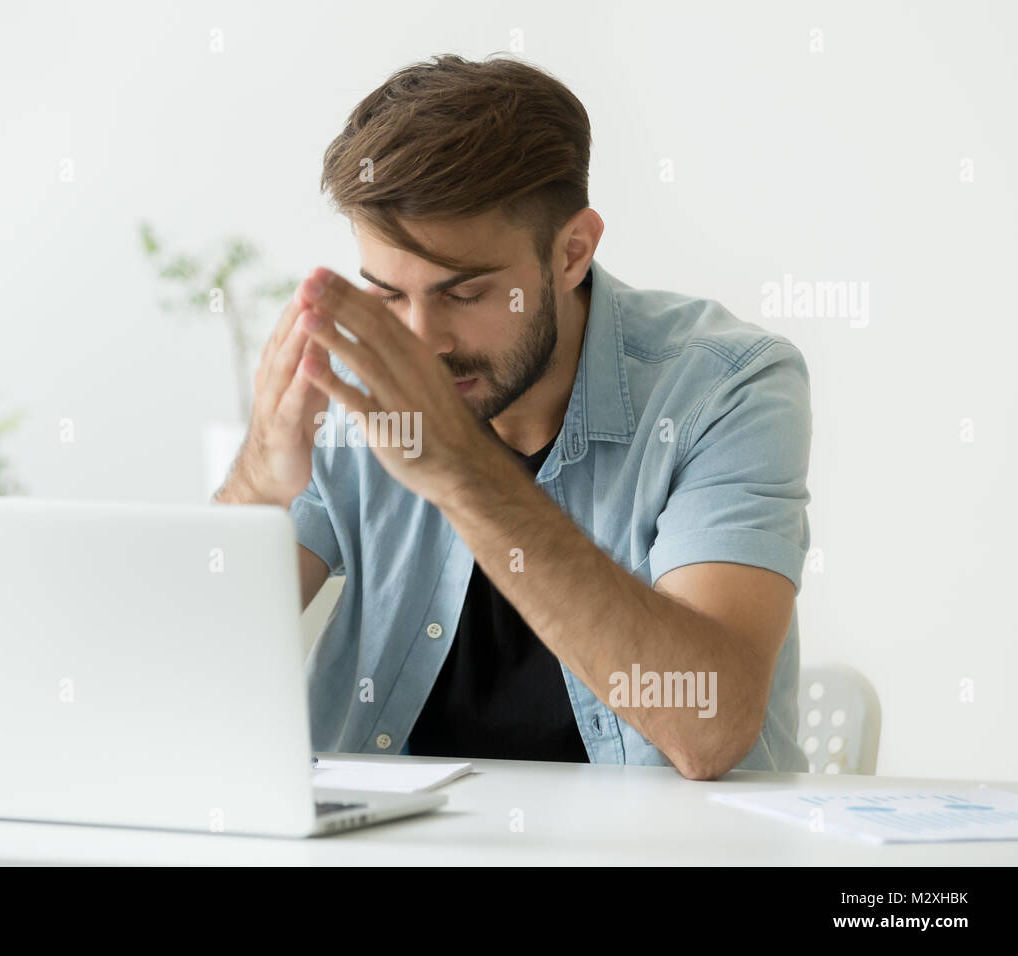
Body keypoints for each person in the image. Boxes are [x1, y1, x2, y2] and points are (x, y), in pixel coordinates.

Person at [215, 54, 811, 780]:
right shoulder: (354, 381)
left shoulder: (724, 388)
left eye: (464, 295)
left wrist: (463, 476)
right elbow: (181, 681)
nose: (420, 340)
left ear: (573, 252)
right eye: (388, 295)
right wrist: (259, 486)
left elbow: (709, 729)